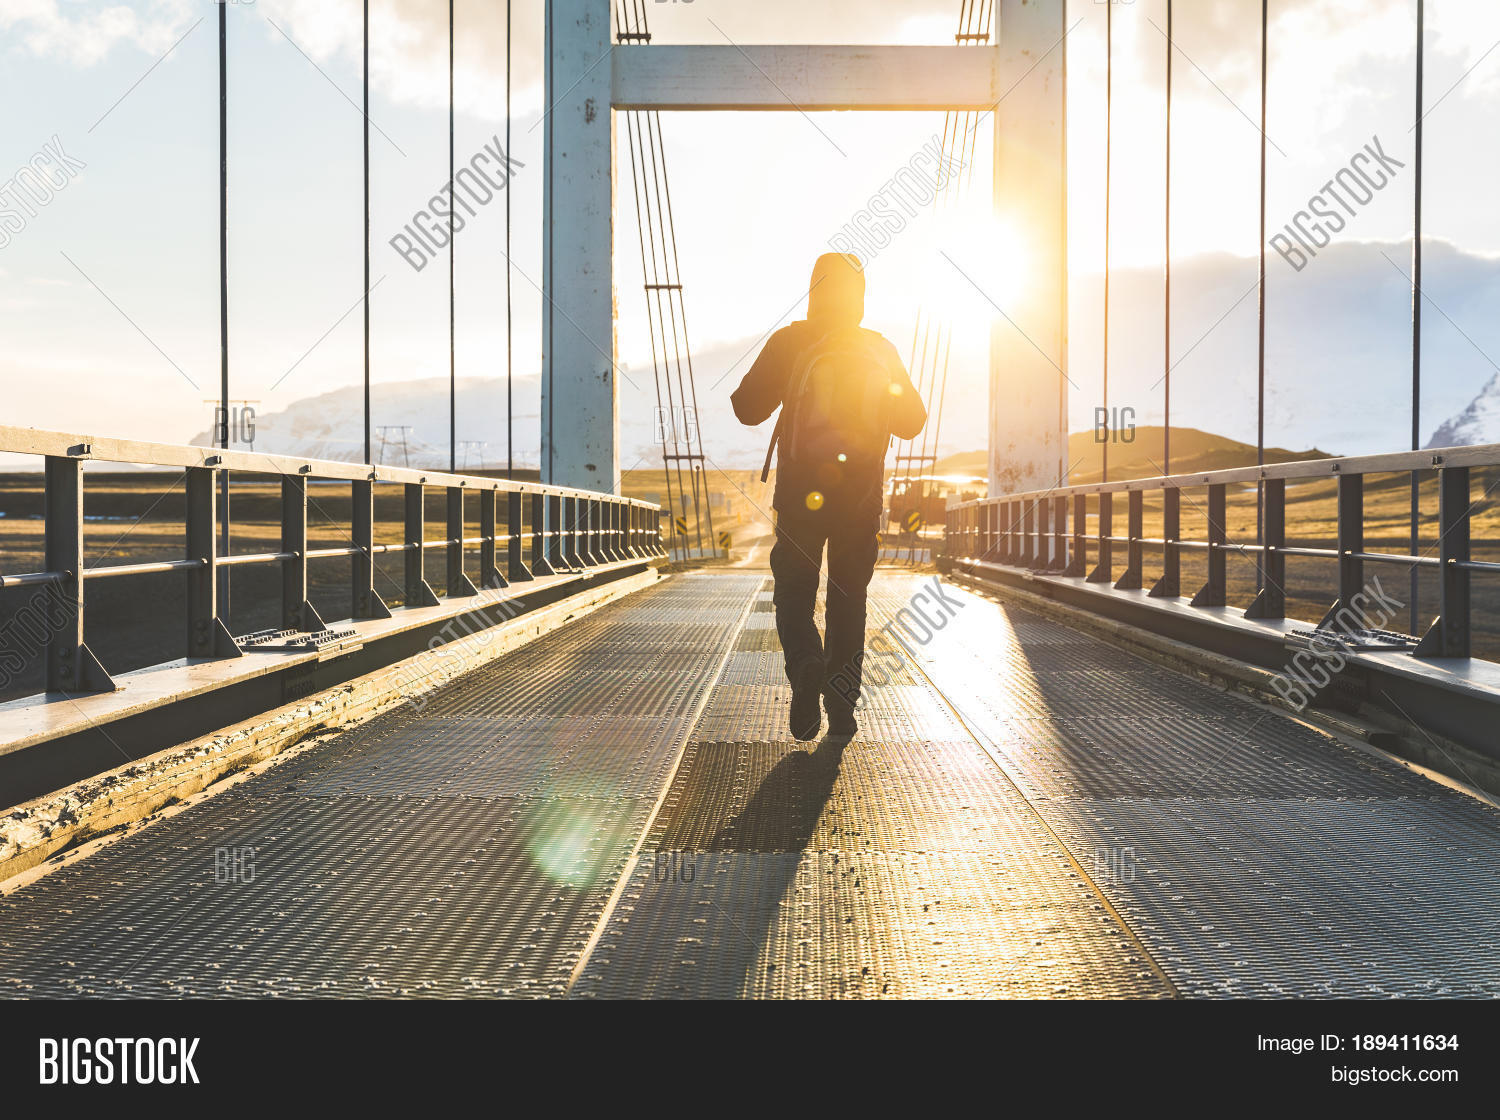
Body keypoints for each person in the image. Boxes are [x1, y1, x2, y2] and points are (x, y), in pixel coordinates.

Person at [731, 253, 926, 740]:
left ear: (814, 290)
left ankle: (804, 665)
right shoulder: (878, 348)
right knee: (849, 597)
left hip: (801, 495)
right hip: (860, 497)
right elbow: (913, 422)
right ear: (860, 297)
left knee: (794, 591)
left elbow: (747, 409)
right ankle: (841, 705)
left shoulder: (791, 341)